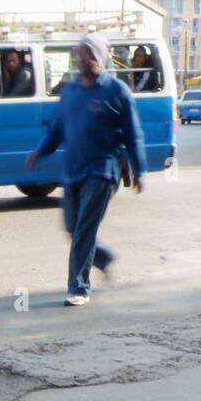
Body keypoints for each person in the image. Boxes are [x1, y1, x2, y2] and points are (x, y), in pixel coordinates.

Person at [24, 32, 146, 307]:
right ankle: (103, 256)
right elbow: (56, 129)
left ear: (100, 57)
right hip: (74, 170)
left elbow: (133, 134)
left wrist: (139, 170)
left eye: (88, 54)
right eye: (79, 54)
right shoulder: (71, 91)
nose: (82, 59)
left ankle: (79, 287)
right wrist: (39, 152)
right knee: (71, 226)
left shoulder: (117, 91)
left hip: (103, 171)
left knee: (84, 230)